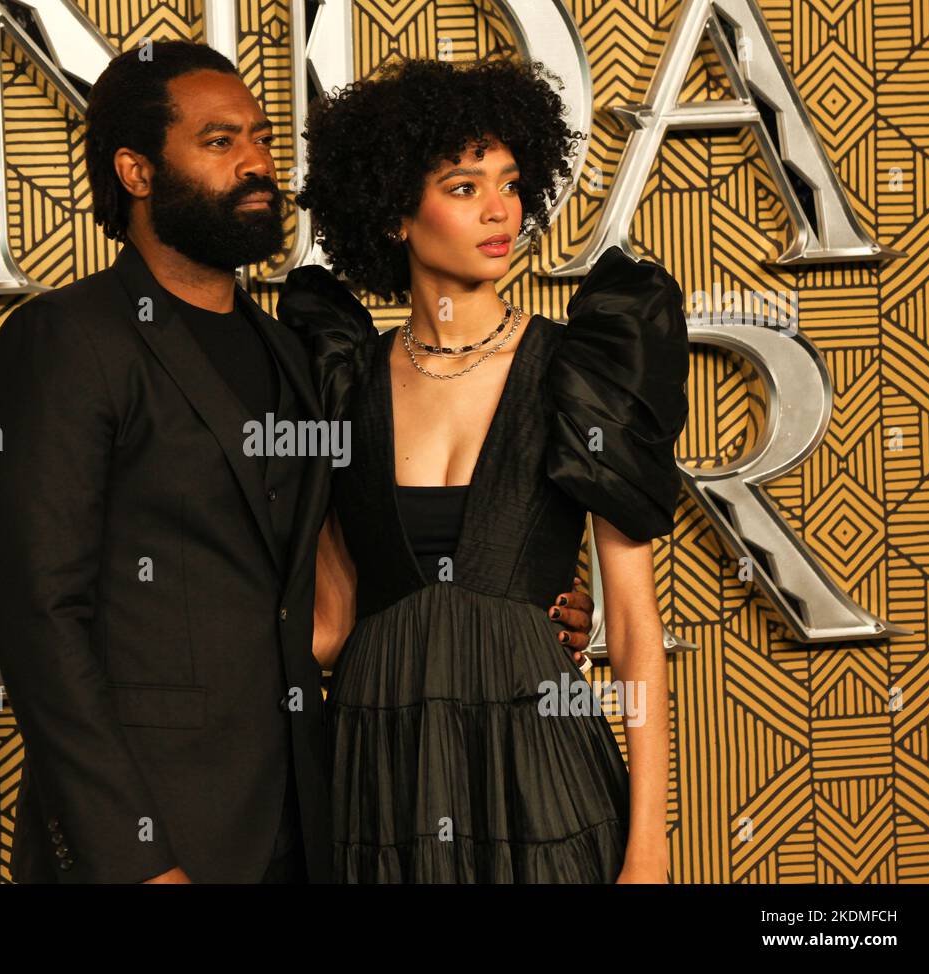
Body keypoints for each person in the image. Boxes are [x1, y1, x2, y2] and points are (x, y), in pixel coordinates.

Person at [0, 41, 596, 884]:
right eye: (221, 141)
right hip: (154, 836)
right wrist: (135, 858)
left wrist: (525, 600)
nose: (259, 162)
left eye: (262, 138)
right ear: (137, 170)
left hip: (317, 814)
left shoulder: (299, 356)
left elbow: (356, 562)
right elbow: (37, 623)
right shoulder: (66, 341)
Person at [276, 56, 689, 883]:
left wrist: (649, 848)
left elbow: (638, 635)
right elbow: (331, 621)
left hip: (538, 762)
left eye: (509, 182)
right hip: (376, 764)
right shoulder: (343, 379)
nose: (500, 210)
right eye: (464, 187)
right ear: (395, 213)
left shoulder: (582, 367)